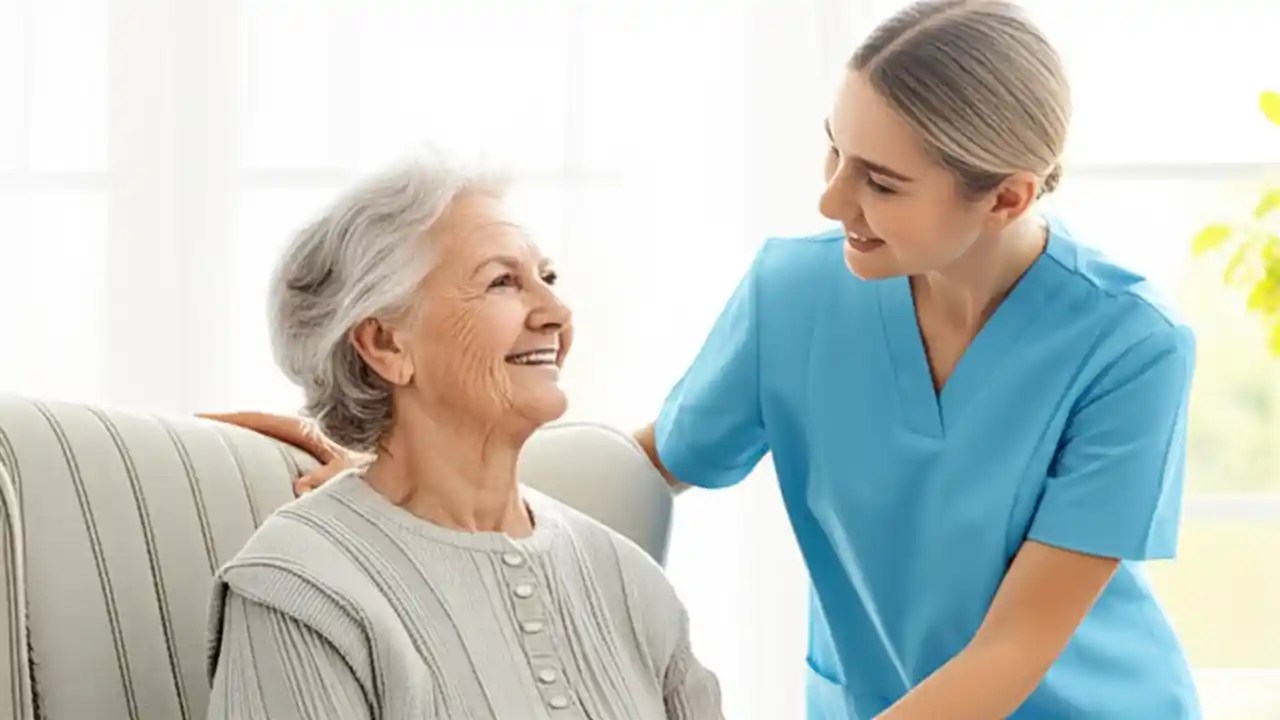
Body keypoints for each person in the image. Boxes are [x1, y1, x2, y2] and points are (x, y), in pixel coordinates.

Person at [216, 1, 1201, 717]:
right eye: (831, 152)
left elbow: (1017, 644)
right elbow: (641, 469)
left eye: (880, 182)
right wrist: (391, 478)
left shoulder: (1127, 345)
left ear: (1004, 198)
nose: (828, 201)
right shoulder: (797, 293)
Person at [202, 152, 723, 719]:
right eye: (503, 282)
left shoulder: (628, 580)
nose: (556, 310)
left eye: (546, 278)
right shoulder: (300, 590)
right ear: (386, 345)